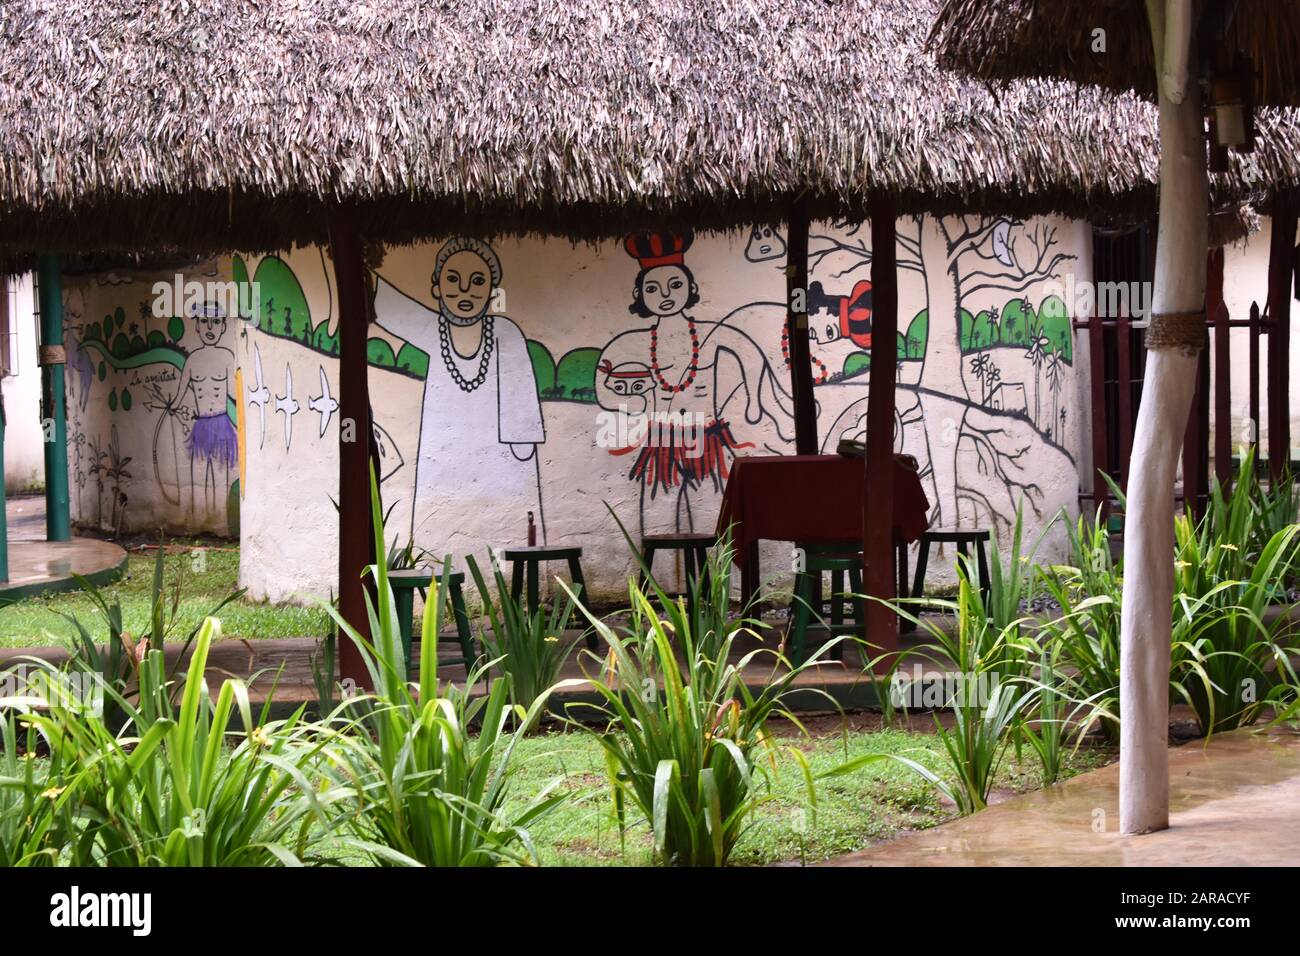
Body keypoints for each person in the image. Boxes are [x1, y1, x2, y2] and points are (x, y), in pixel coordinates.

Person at [596, 231, 793, 534]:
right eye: (653, 288)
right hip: (662, 442)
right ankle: (655, 581)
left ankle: (717, 582)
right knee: (656, 527)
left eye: (675, 285)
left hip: (708, 441)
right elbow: (602, 379)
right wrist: (632, 404)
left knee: (717, 524)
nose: (665, 295)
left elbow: (749, 353)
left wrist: (756, 401)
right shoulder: (634, 341)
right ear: (641, 296)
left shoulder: (709, 334)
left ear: (691, 288)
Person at [373, 237, 545, 553]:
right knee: (434, 546)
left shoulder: (506, 334)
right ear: (436, 287)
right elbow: (384, 304)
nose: (465, 291)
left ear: (493, 292)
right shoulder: (433, 330)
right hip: (439, 470)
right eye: (453, 279)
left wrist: (520, 447)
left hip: (506, 465)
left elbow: (522, 414)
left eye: (478, 281)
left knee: (515, 539)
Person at [172, 301, 236, 515]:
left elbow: (234, 394)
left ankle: (219, 521)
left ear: (224, 327)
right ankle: (198, 519)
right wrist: (173, 407)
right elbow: (181, 391)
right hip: (200, 425)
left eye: (216, 322)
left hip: (221, 424)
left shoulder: (227, 357)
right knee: (197, 476)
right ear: (197, 327)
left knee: (220, 477)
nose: (210, 328)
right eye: (204, 322)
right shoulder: (193, 360)